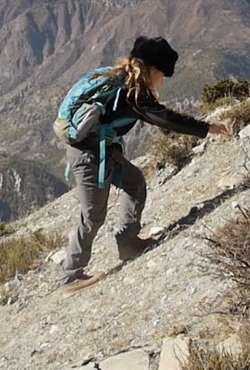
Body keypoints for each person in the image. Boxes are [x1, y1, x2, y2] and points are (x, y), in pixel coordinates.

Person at [59, 36, 231, 290]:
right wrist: (207, 128)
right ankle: (70, 275)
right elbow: (165, 118)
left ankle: (128, 242)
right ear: (151, 69)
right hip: (88, 154)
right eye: (162, 74)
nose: (162, 80)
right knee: (93, 214)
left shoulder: (116, 77)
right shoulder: (133, 94)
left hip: (103, 149)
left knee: (135, 182)